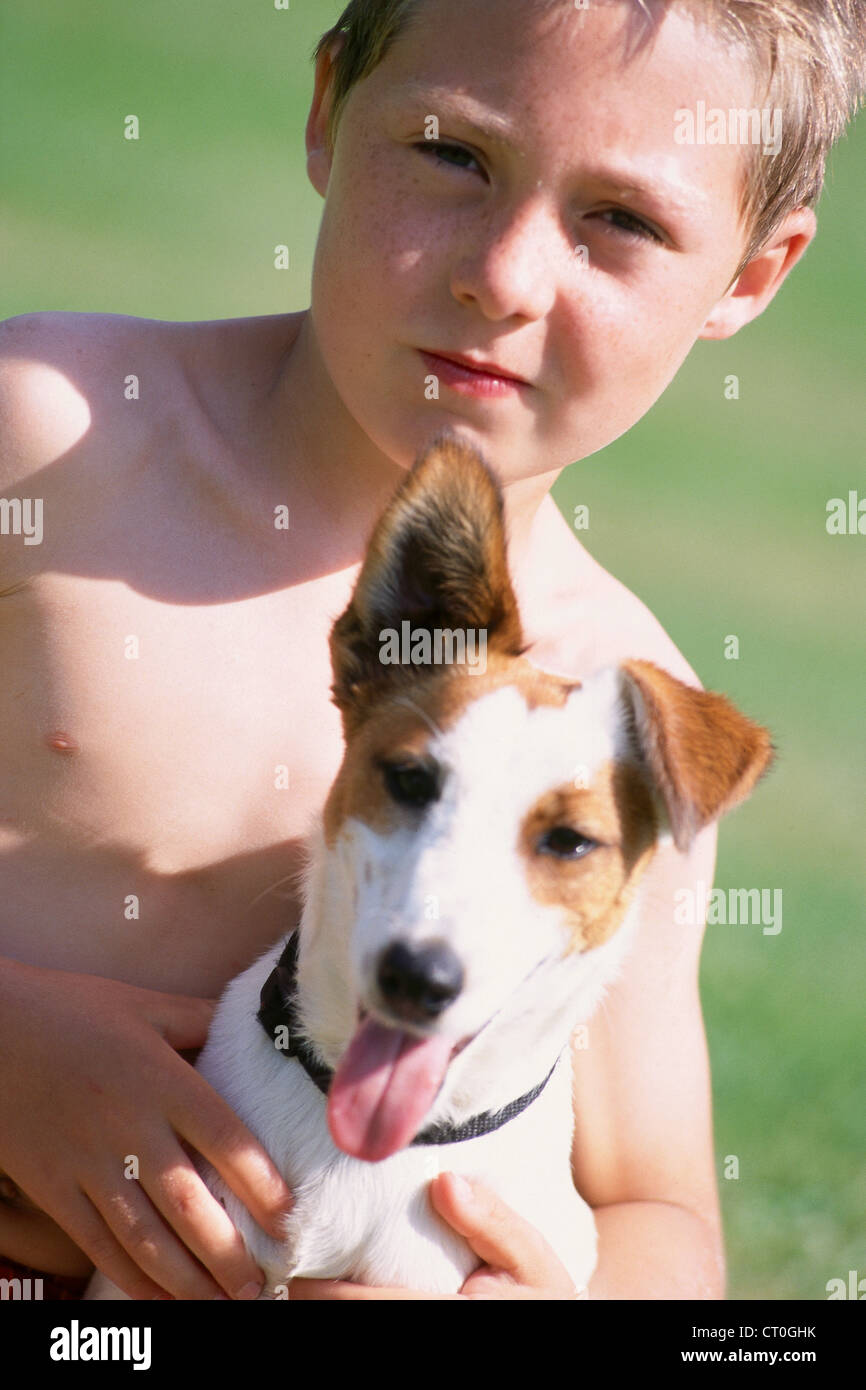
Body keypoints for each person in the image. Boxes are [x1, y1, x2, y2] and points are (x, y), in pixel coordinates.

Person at [0, 0, 863, 1301]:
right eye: (452, 152)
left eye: (618, 222)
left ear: (746, 274)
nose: (504, 277)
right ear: (325, 107)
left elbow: (660, 1211)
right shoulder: (55, 441)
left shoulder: (619, 722)